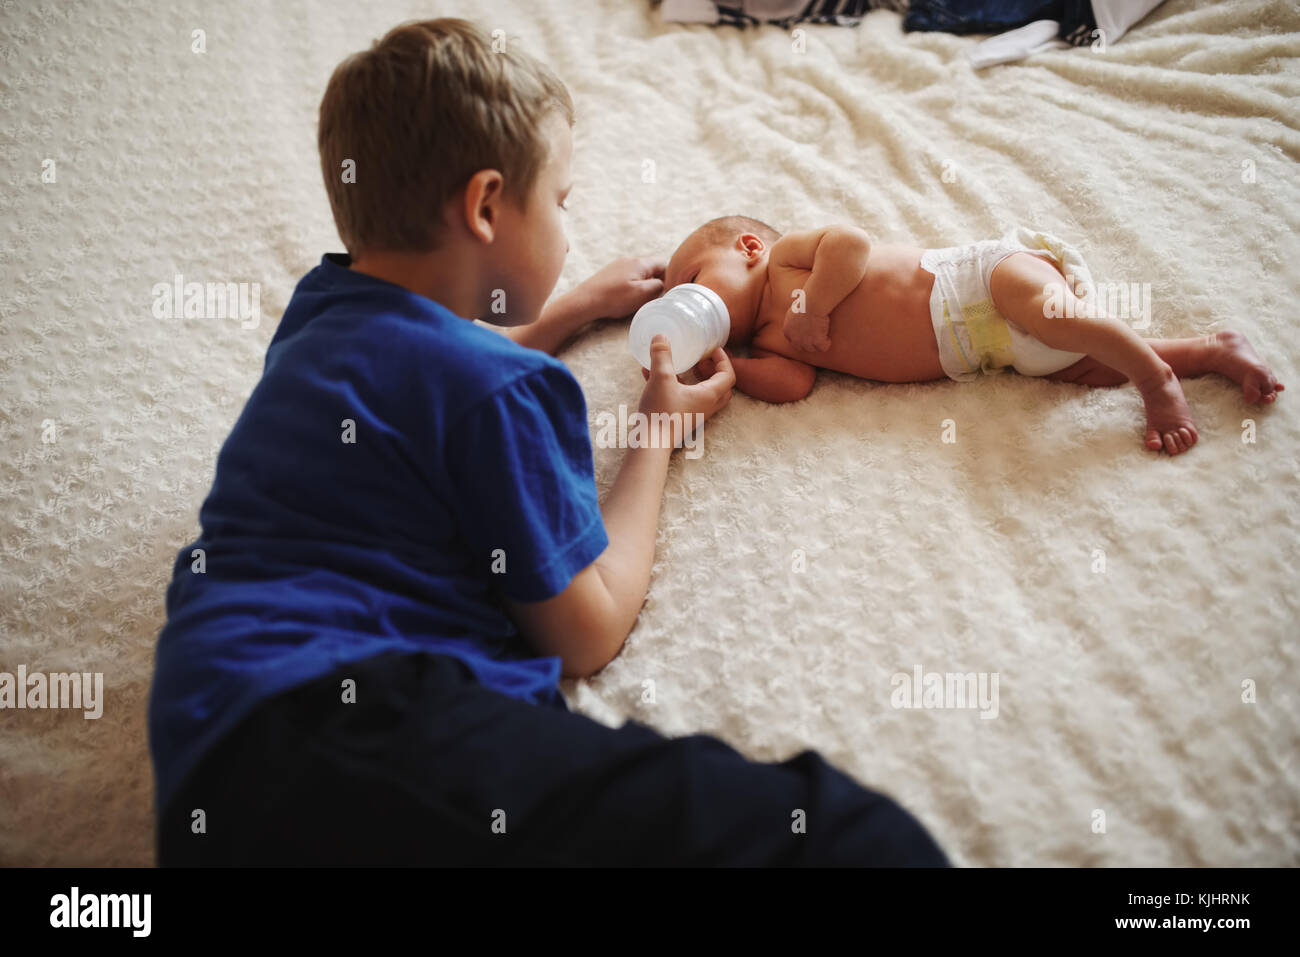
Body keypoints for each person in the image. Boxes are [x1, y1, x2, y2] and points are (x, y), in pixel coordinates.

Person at [148, 18, 948, 866]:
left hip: (207, 744)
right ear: (487, 204)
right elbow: (586, 627)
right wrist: (657, 433)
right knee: (855, 840)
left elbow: (422, 370)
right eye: (560, 202)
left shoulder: (315, 316)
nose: (569, 233)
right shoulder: (505, 393)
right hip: (357, 734)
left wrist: (570, 311)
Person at [670, 216, 1282, 455]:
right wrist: (724, 367)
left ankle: (1156, 377)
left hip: (980, 281)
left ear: (748, 248)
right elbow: (795, 384)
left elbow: (851, 243)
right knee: (1081, 366)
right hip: (989, 354)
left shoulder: (785, 264)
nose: (688, 302)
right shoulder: (771, 344)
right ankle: (1210, 351)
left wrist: (815, 303)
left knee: (1059, 319)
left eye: (692, 281)